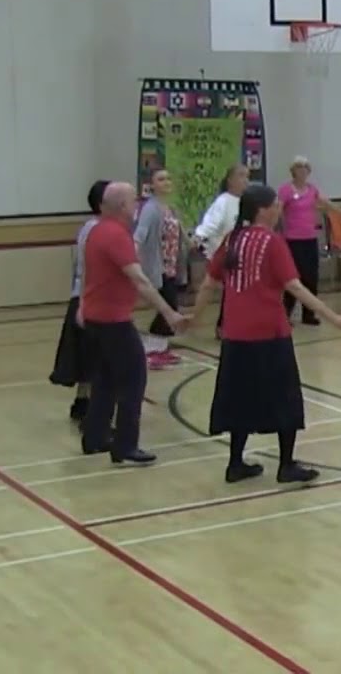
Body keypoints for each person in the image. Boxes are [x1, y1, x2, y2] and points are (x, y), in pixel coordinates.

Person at [191, 184, 341, 484]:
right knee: (285, 398)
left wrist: (192, 318)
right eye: (275, 204)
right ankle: (286, 465)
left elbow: (208, 283)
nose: (279, 208)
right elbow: (295, 287)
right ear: (263, 210)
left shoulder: (232, 240)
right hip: (269, 333)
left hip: (236, 334)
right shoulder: (272, 242)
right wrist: (335, 318)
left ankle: (235, 463)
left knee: (238, 397)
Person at [79, 182, 186, 463]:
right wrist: (168, 312)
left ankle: (95, 436)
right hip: (113, 321)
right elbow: (139, 279)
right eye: (133, 201)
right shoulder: (116, 235)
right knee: (133, 379)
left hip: (96, 317)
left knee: (105, 379)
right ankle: (125, 445)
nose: (137, 206)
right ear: (124, 206)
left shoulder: (97, 230)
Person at [50, 180, 107, 422]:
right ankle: (89, 406)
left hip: (90, 298)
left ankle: (84, 401)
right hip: (89, 299)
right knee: (93, 356)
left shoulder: (100, 227)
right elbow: (85, 268)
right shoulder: (94, 229)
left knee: (89, 357)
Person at [277, 156, 341, 325]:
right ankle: (285, 314)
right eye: (299, 167)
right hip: (292, 240)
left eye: (305, 167)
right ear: (293, 170)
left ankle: (309, 314)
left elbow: (327, 204)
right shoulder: (285, 190)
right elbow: (277, 211)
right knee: (293, 278)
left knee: (311, 277)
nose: (302, 170)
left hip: (310, 239)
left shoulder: (312, 190)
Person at [133, 168, 188, 369]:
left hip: (171, 265)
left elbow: (179, 234)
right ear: (152, 185)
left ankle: (160, 347)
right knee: (169, 306)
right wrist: (134, 257)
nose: (166, 182)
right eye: (161, 179)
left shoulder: (170, 208)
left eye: (168, 178)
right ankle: (152, 349)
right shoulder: (150, 208)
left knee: (170, 305)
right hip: (157, 266)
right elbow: (140, 233)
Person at [194, 163, 247, 336]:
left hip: (241, 253)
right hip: (224, 253)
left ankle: (226, 325)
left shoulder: (246, 202)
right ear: (230, 180)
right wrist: (199, 236)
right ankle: (213, 324)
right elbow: (211, 223)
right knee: (223, 289)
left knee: (234, 292)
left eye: (247, 176)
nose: (245, 180)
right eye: (241, 176)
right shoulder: (223, 201)